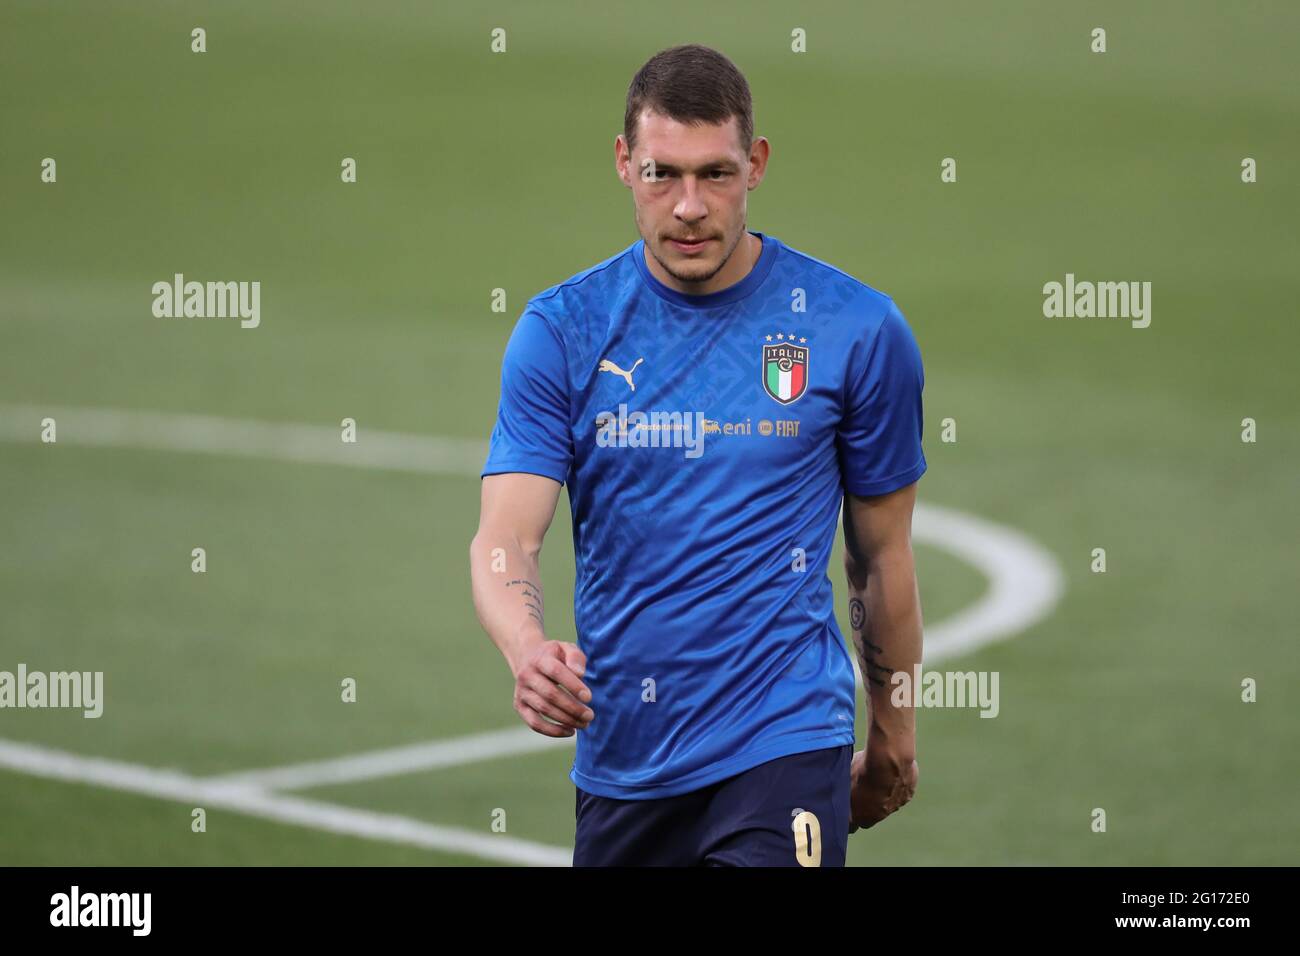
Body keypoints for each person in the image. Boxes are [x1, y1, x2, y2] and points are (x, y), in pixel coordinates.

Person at [469, 44, 925, 866]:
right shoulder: (561, 333)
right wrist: (527, 648)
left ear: (755, 164)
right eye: (662, 175)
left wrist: (893, 735)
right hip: (623, 764)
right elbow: (507, 536)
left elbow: (880, 557)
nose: (688, 207)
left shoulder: (855, 329)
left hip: (782, 735)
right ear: (623, 164)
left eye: (715, 175)